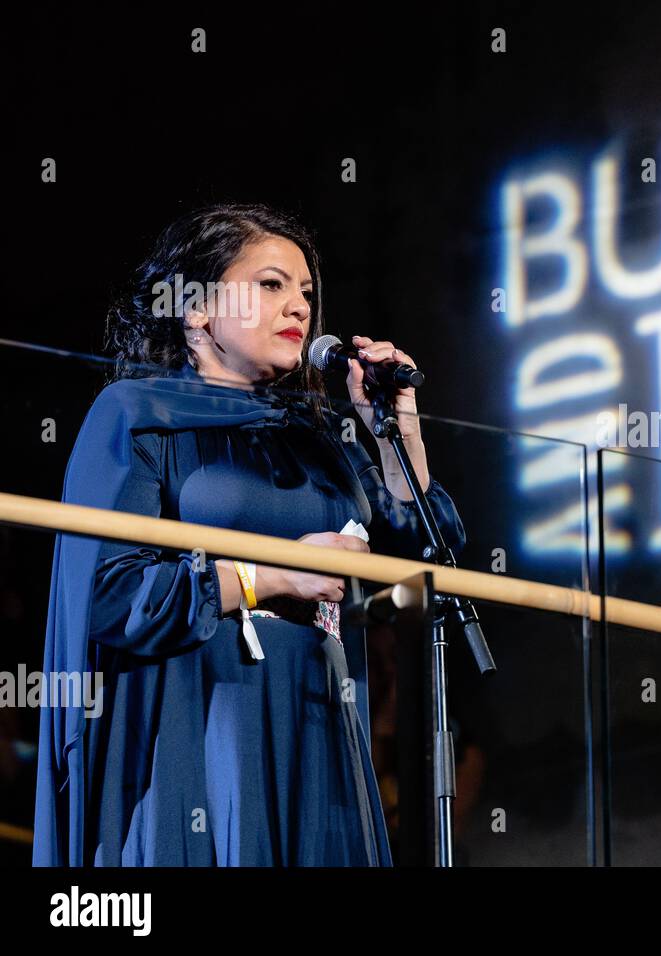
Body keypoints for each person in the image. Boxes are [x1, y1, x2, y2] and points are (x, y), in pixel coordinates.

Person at [33, 202, 464, 866]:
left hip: (319, 720)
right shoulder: (137, 414)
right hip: (199, 721)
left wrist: (395, 434)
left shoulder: (317, 439)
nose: (299, 307)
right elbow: (109, 595)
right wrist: (269, 575)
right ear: (197, 307)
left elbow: (423, 553)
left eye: (307, 293)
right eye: (272, 284)